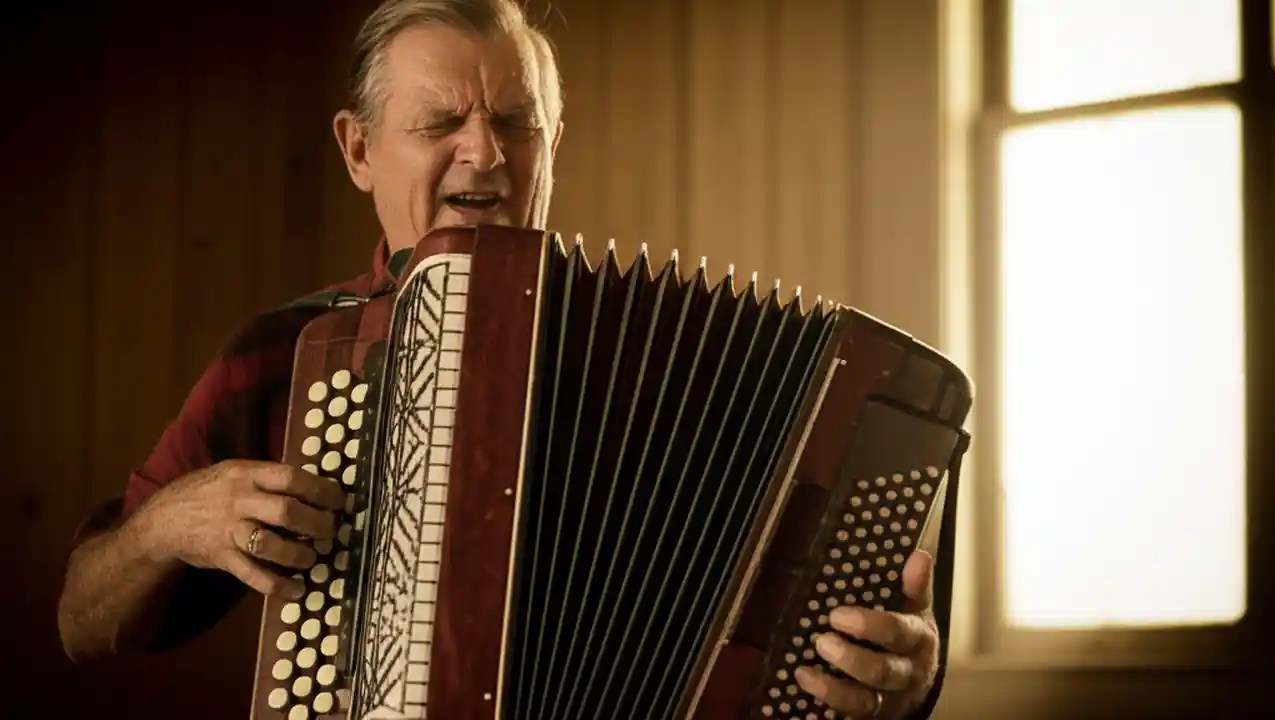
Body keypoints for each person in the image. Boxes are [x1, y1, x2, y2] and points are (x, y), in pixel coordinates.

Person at [56, 1, 944, 718]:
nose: (484, 150)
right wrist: (171, 523)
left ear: (551, 143)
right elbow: (81, 624)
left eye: (516, 122)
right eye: (441, 121)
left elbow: (894, 645)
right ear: (359, 151)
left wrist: (909, 673)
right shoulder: (285, 356)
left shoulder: (716, 362)